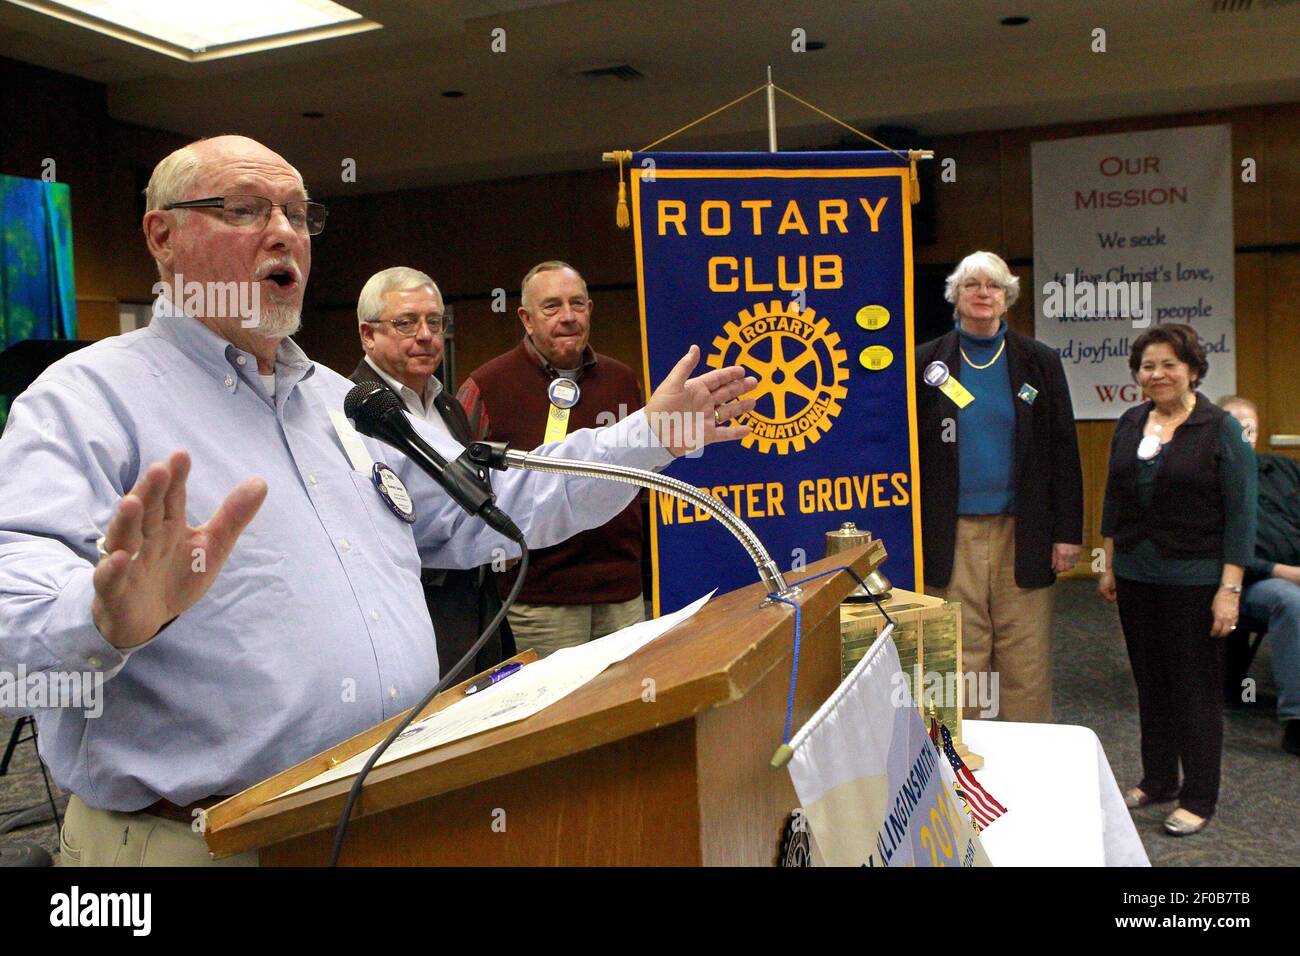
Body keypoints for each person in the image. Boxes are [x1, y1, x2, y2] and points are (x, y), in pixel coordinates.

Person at [0, 136, 756, 865]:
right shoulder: (85, 400)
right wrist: (103, 621)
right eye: (245, 209)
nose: (283, 233)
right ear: (162, 236)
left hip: (379, 810)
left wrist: (650, 436)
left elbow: (493, 501)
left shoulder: (343, 404)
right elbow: (10, 610)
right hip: (202, 844)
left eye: (298, 214)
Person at [1098, 324, 1256, 836]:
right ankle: (1159, 779)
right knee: (1151, 682)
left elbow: (1242, 513)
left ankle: (1199, 795)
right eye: (1148, 366)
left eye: (1168, 364)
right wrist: (1108, 558)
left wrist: (1229, 590)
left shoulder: (1219, 427)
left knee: (1194, 688)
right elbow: (1115, 495)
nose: (1157, 374)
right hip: (1136, 573)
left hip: (1196, 580)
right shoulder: (1130, 421)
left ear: (1191, 369)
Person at [915, 251, 1082, 723]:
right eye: (972, 285)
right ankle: (962, 767)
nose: (983, 293)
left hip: (1024, 529)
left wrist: (1067, 532)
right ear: (955, 296)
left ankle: (1028, 770)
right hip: (950, 533)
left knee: (1025, 656)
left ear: (1007, 298)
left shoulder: (1040, 362)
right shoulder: (925, 362)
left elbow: (1064, 452)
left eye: (993, 286)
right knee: (959, 658)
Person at [457, 261, 646, 657]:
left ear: (590, 310)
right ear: (526, 318)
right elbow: (459, 483)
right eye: (552, 307)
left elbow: (643, 474)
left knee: (628, 710)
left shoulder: (623, 380)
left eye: (577, 304)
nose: (568, 317)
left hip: (621, 589)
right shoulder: (487, 385)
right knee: (559, 715)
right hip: (540, 597)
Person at [351, 266, 515, 678]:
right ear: (368, 335)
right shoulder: (354, 410)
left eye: (434, 322)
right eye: (406, 323)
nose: (425, 335)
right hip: (416, 614)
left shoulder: (448, 405)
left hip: (479, 605)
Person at [1218, 396, 1300, 756]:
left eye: (1250, 423)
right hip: (1247, 584)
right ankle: (1297, 720)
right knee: (1289, 598)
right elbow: (1215, 551)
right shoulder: (1208, 481)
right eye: (1235, 424)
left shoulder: (1285, 469)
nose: (1244, 430)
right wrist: (1285, 572)